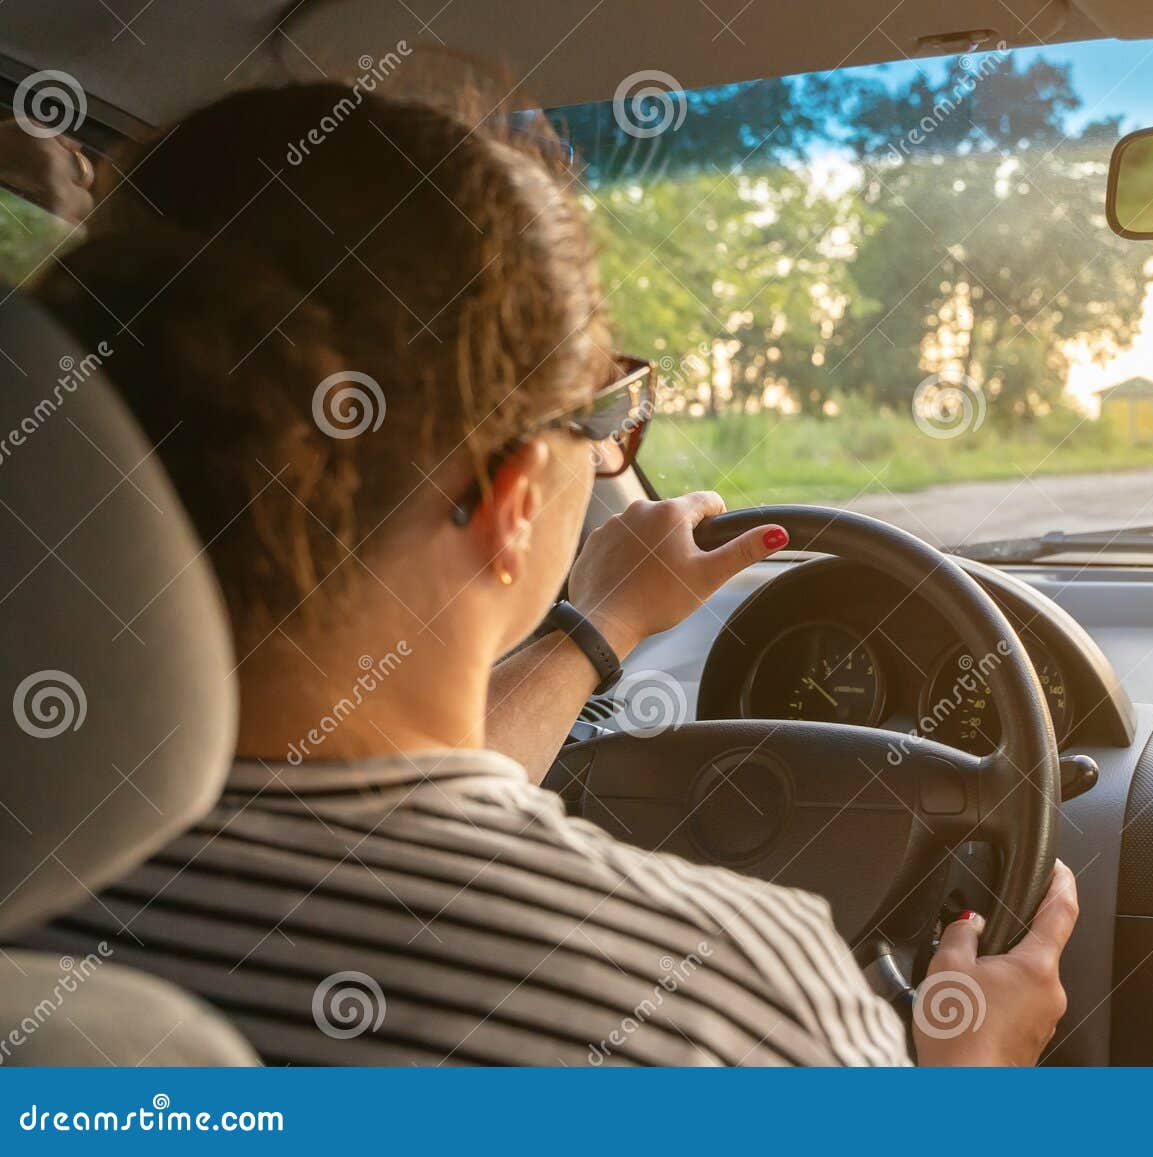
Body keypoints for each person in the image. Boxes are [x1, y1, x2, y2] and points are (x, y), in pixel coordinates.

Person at [22, 84, 1078, 1066]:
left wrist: (600, 624)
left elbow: (366, 787)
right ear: (512, 494)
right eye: (605, 416)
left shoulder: (45, 883)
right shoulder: (743, 999)